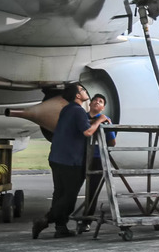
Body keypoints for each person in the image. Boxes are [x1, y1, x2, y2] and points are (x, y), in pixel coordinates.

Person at [32, 83, 109, 239]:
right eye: (82, 90)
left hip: (57, 157)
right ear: (77, 96)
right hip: (70, 160)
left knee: (59, 193)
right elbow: (87, 132)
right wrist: (100, 120)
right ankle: (46, 220)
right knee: (69, 196)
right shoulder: (78, 111)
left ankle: (61, 228)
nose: (85, 91)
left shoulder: (67, 109)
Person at [83, 93, 115, 218]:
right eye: (95, 100)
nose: (97, 102)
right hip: (81, 156)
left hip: (97, 158)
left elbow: (112, 142)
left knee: (92, 190)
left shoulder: (105, 121)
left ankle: (87, 219)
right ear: (90, 103)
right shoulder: (82, 117)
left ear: (103, 108)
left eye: (101, 101)